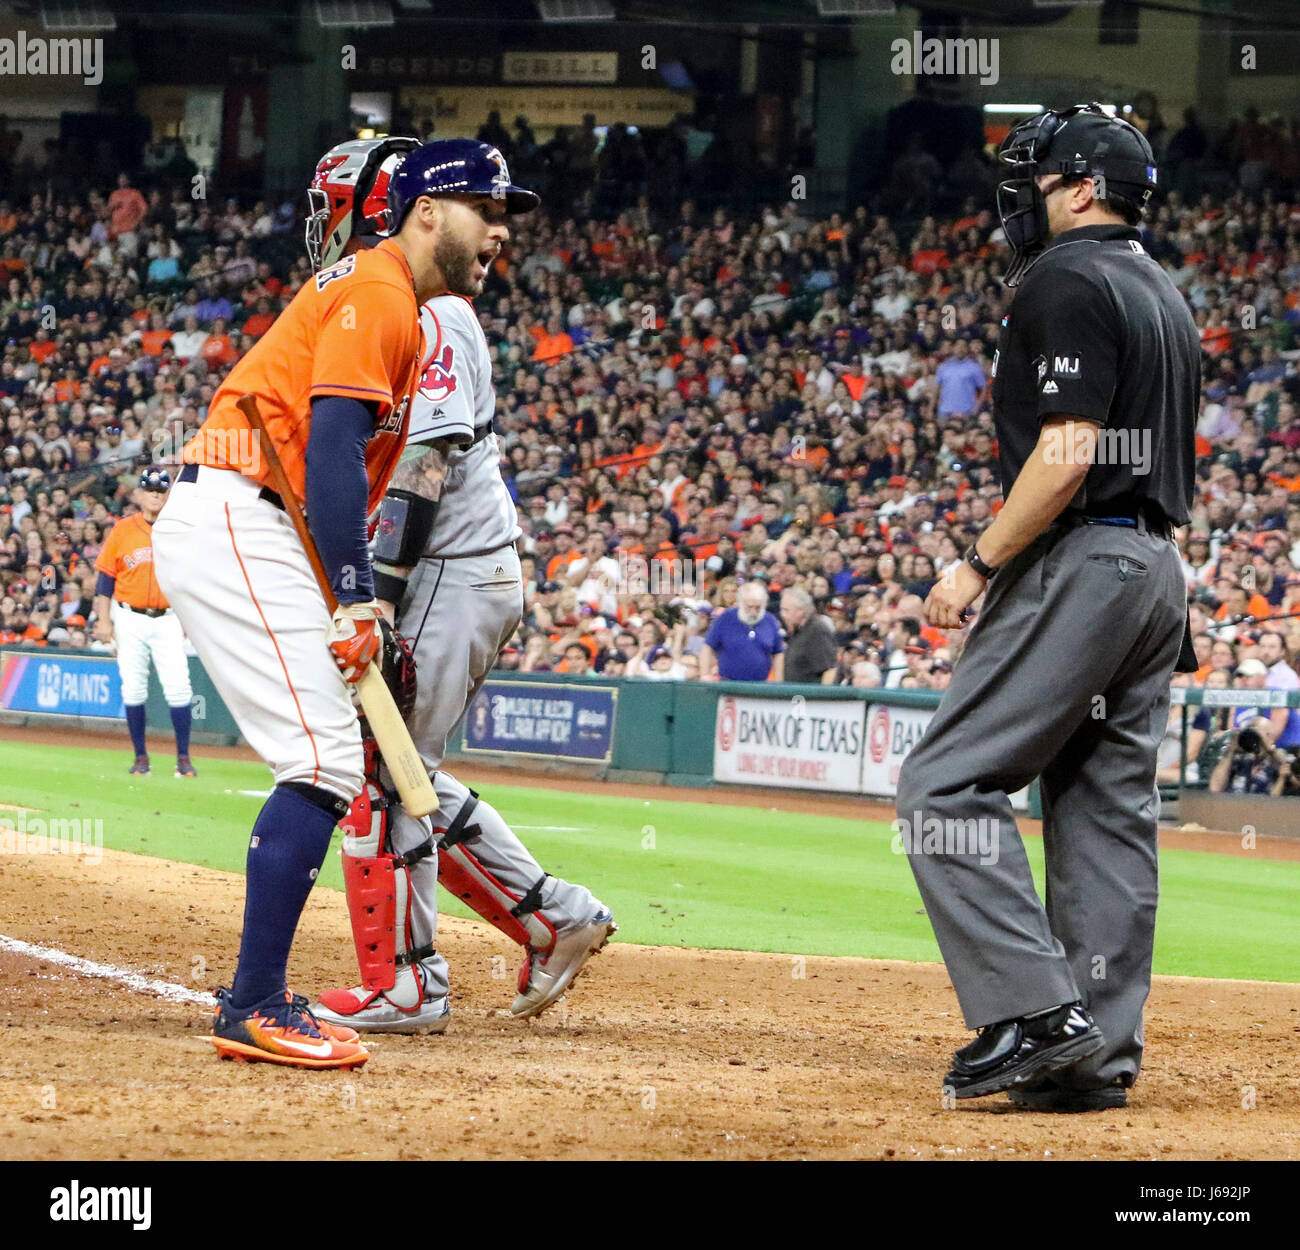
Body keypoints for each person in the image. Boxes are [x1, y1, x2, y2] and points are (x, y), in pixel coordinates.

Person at [897, 104, 1200, 1112]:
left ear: (1079, 188)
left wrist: (978, 563)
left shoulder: (1066, 275)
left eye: (1032, 181)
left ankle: (1031, 1013)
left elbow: (1069, 449)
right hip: (1154, 568)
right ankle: (1092, 1056)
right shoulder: (1160, 287)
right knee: (1103, 812)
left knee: (944, 784)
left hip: (1086, 558)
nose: (1018, 201)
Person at [300, 138, 615, 1037]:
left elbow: (426, 464)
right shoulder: (402, 301)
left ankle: (410, 981)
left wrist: (381, 596)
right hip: (457, 568)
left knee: (381, 775)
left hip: (444, 567)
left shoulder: (429, 311)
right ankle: (552, 914)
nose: (503, 232)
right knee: (406, 769)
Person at [152, 138, 447, 1070]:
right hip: (245, 511)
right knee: (321, 759)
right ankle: (254, 1005)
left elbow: (335, 473)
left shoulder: (384, 296)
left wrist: (350, 602)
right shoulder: (375, 288)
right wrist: (359, 601)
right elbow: (323, 455)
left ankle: (255, 994)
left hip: (252, 520)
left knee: (321, 756)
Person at [92, 468, 195, 777]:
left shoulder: (179, 529)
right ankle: (140, 758)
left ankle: (183, 759)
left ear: (168, 495)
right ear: (138, 494)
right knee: (133, 689)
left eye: (160, 490)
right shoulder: (123, 529)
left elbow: (190, 579)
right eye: (149, 489)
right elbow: (105, 579)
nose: (154, 494)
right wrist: (103, 620)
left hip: (168, 618)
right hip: (128, 617)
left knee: (179, 689)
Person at [699, 579, 783, 681]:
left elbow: (778, 653)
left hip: (760, 685)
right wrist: (704, 674)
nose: (753, 612)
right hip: (727, 683)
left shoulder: (770, 620)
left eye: (758, 608)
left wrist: (778, 681)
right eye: (749, 607)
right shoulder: (725, 618)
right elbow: (707, 646)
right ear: (740, 603)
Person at [779, 587, 839, 684]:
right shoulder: (797, 632)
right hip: (795, 696)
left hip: (810, 696)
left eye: (786, 610)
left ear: (801, 611)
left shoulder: (817, 631)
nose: (783, 615)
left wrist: (823, 697)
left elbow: (830, 669)